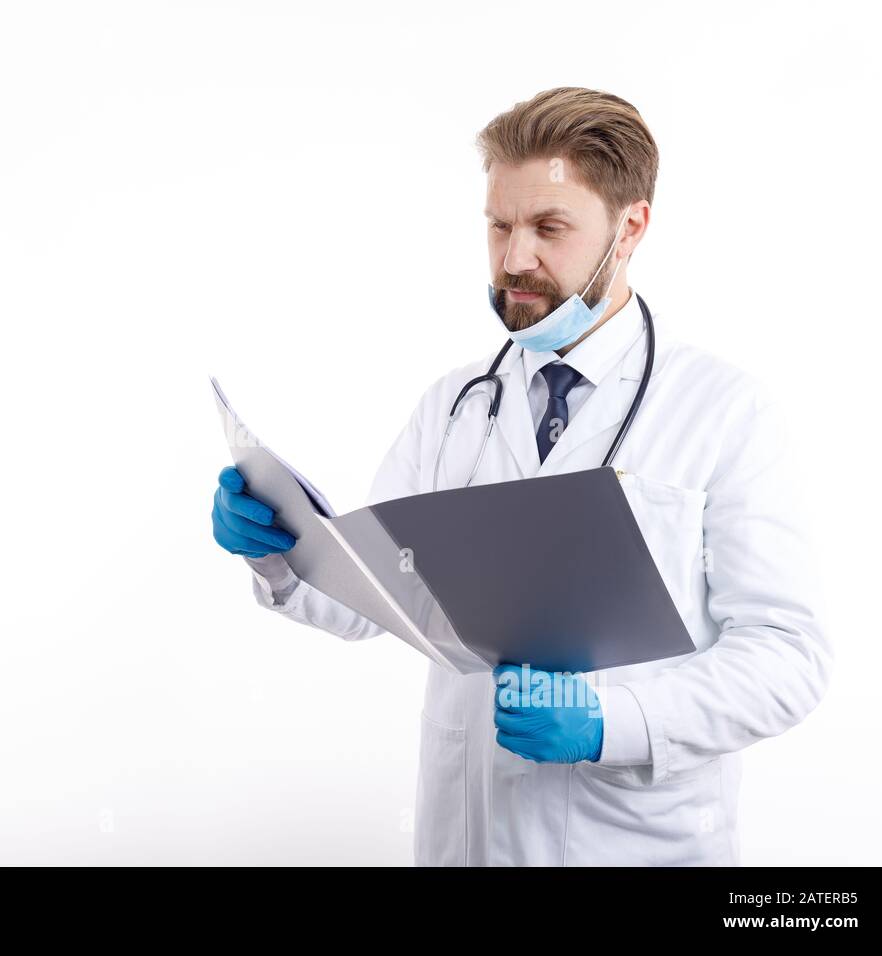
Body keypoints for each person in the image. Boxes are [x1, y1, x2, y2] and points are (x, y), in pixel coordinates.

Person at [210, 87, 832, 866]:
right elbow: (376, 601)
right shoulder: (456, 406)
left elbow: (788, 656)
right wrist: (282, 548)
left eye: (549, 227)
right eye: (499, 225)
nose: (514, 259)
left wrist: (615, 720)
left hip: (639, 844)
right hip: (466, 839)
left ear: (630, 227)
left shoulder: (724, 411)